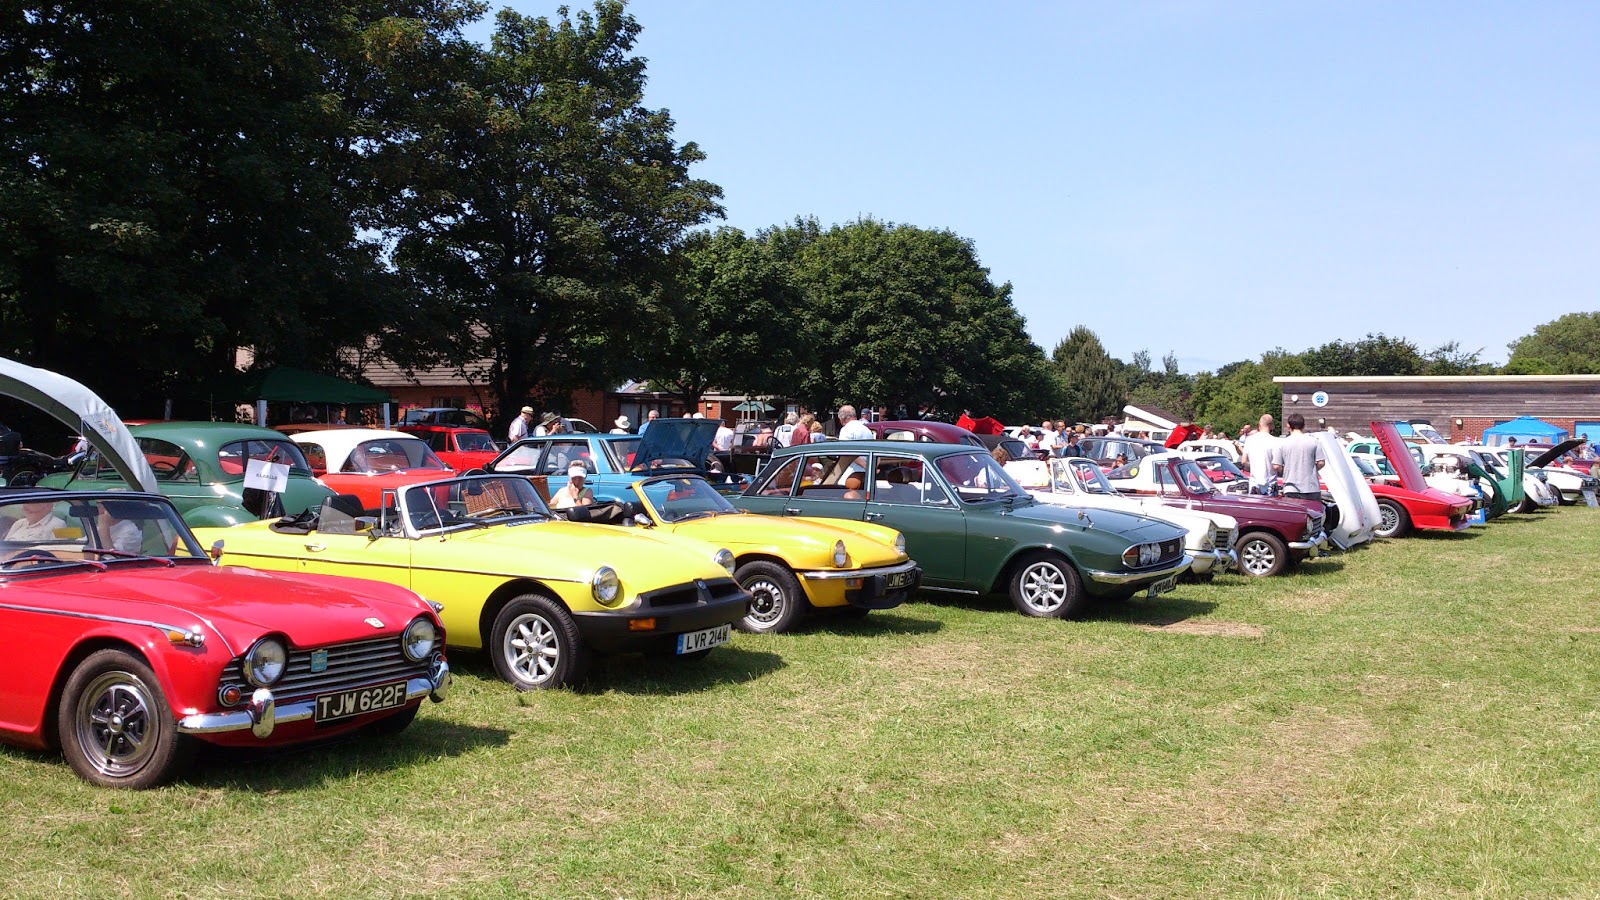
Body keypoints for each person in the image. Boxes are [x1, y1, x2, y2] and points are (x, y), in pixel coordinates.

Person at [1272, 413, 1326, 501]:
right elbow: (1321, 462)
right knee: (1313, 514)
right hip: (1311, 487)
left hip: (1291, 488)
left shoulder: (1281, 443)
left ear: (1288, 426)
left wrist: (1287, 470)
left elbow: (1276, 466)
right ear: (1303, 426)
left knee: (1293, 514)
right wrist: (1310, 469)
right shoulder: (1314, 441)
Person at [1242, 414, 1279, 495]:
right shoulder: (1275, 441)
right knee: (1270, 507)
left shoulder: (1249, 440)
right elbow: (1276, 466)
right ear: (1272, 426)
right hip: (1270, 483)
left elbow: (1244, 461)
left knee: (1255, 507)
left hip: (1254, 483)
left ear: (1259, 424)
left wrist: (1254, 466)